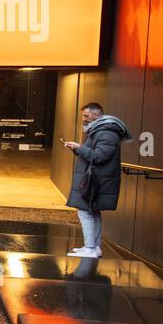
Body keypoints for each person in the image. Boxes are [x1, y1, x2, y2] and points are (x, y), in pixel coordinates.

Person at [63, 102, 131, 258]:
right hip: (97, 179)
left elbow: (99, 156)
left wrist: (79, 148)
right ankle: (94, 247)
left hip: (98, 181)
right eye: (83, 116)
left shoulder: (107, 133)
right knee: (92, 211)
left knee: (85, 211)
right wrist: (77, 149)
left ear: (97, 115)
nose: (84, 119)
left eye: (86, 116)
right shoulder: (100, 131)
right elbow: (93, 154)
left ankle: (91, 247)